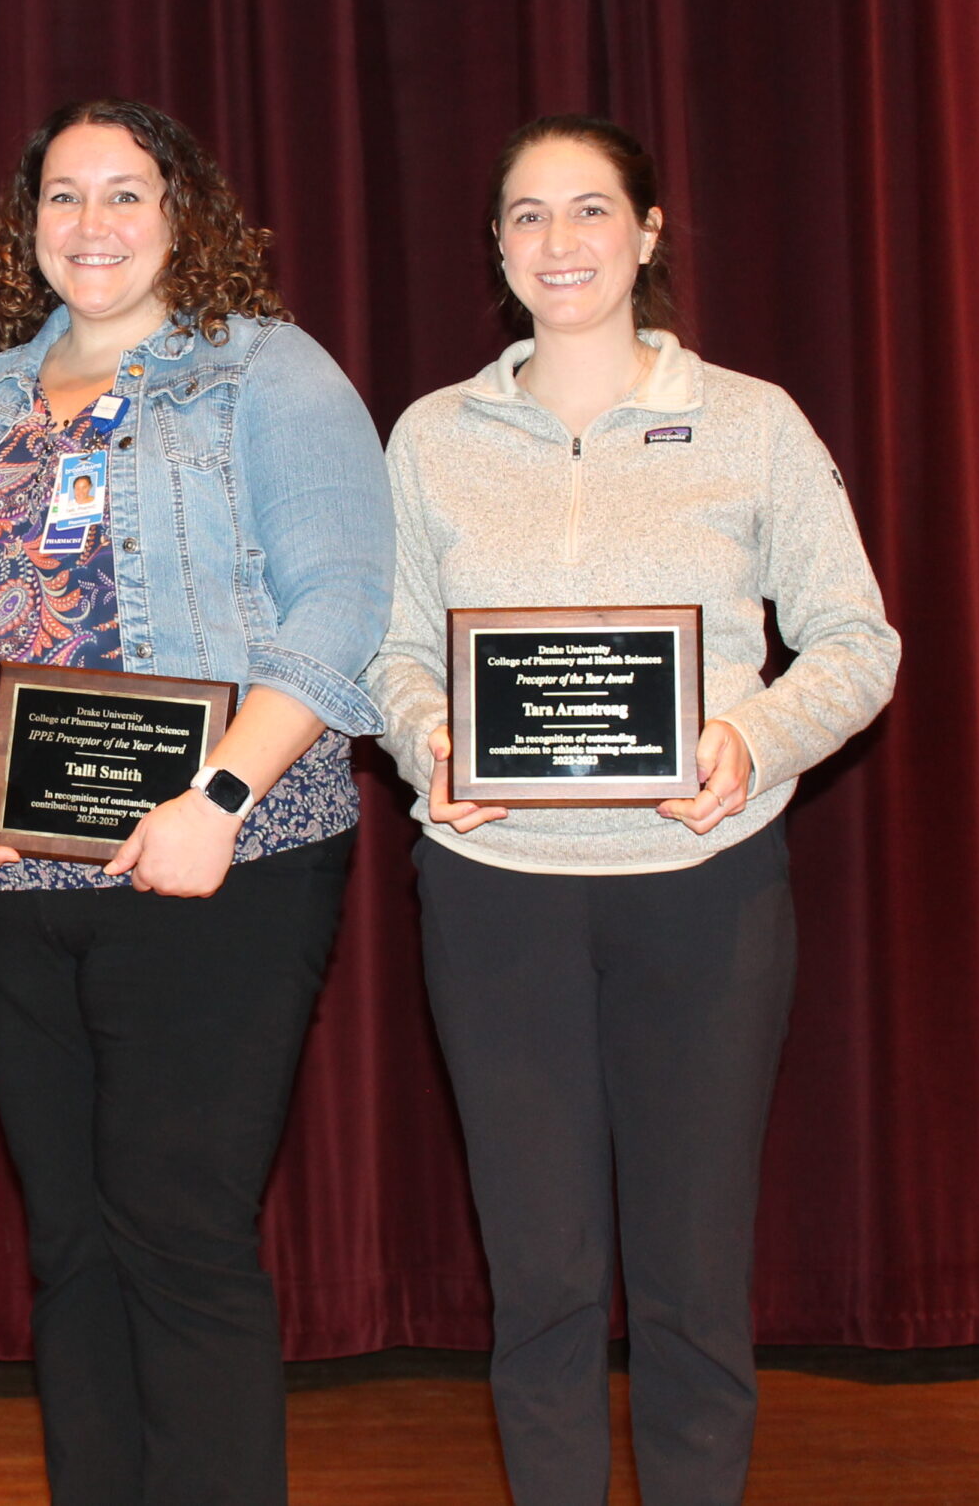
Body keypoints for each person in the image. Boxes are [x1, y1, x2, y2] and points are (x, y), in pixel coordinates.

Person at [0, 99, 393, 1506]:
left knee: (180, 1235)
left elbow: (341, 612)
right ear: (26, 229)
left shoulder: (269, 375)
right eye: (64, 198)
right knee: (73, 1247)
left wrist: (215, 797)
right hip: (19, 891)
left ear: (183, 213)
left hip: (224, 869)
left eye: (127, 193)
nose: (94, 225)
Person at [366, 115, 901, 1505]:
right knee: (538, 1280)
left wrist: (751, 735)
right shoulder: (432, 435)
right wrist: (430, 741)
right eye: (528, 216)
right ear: (495, 247)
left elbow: (858, 641)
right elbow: (388, 650)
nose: (561, 243)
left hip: (703, 888)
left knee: (689, 1276)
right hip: (496, 899)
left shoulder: (752, 420)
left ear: (648, 234)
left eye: (591, 211)